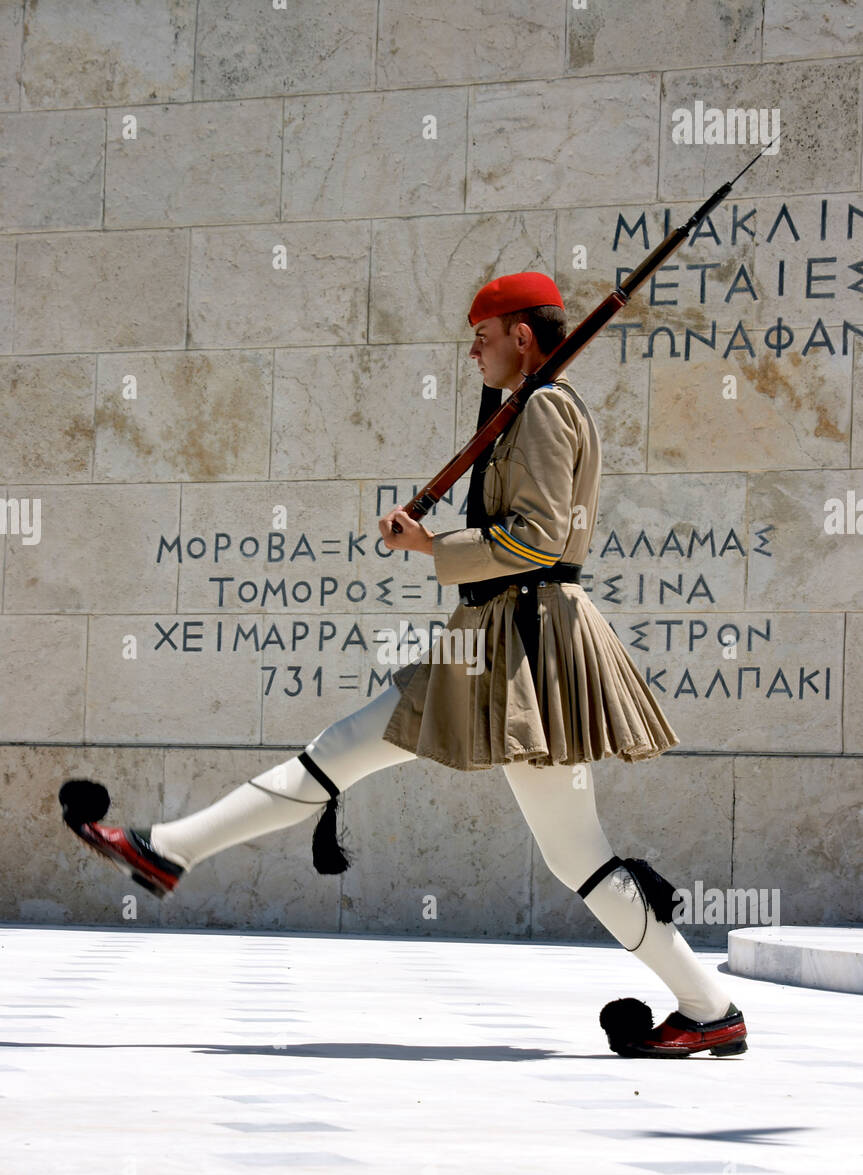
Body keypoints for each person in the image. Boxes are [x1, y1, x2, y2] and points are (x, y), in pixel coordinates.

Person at [59, 272, 747, 1060]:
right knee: (348, 750)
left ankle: (708, 1005)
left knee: (572, 853)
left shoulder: (548, 407)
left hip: (524, 640)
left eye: (482, 337)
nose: (472, 351)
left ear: (522, 335)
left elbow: (543, 538)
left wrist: (431, 546)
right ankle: (169, 849)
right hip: (495, 632)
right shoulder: (528, 404)